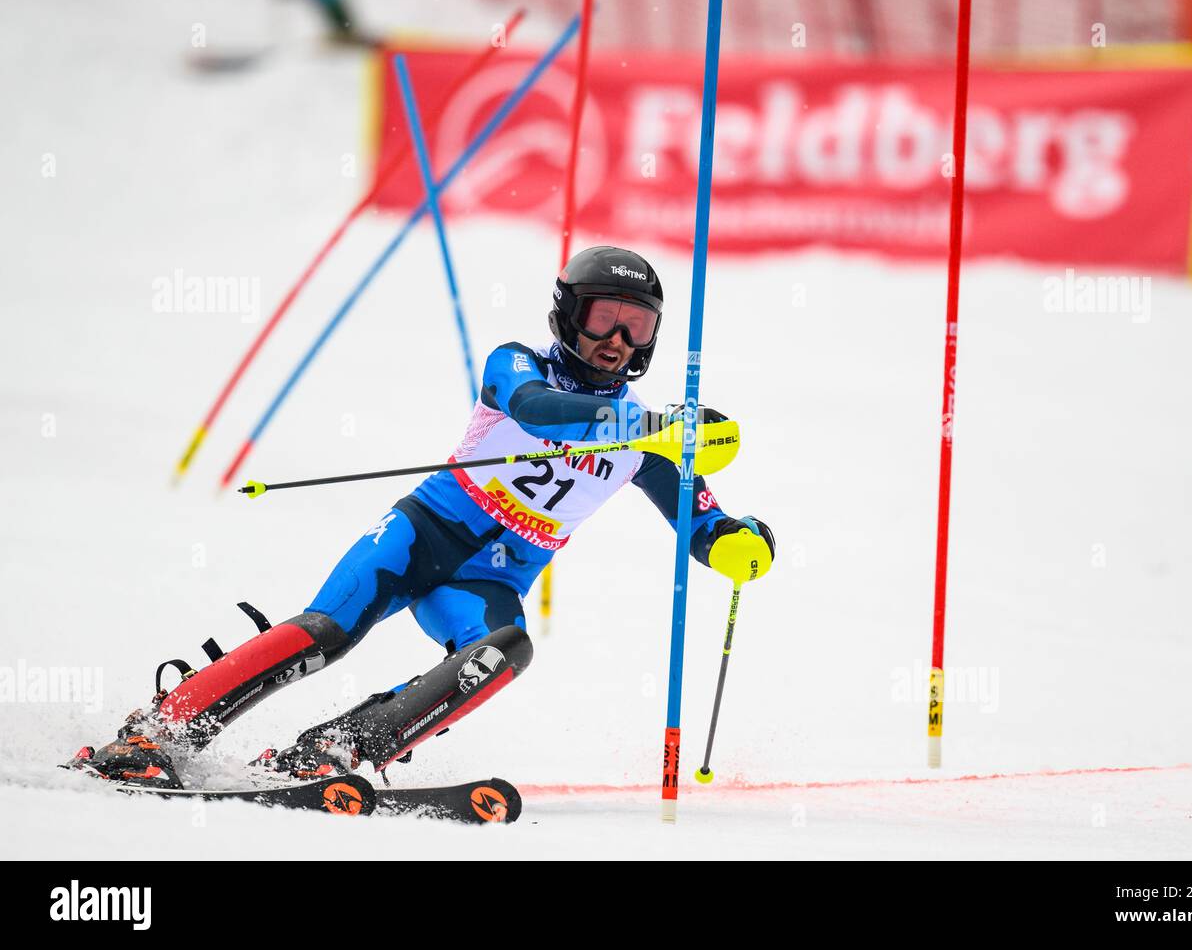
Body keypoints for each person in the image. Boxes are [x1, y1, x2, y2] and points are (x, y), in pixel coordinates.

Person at [75, 246, 775, 788]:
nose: (618, 338)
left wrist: (742, 547)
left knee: (505, 649)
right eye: (603, 316)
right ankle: (157, 731)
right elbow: (535, 408)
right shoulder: (517, 363)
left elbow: (704, 526)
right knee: (327, 631)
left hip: (485, 581)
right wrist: (649, 421)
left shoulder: (651, 444)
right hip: (418, 537)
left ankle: (335, 748)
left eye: (638, 323)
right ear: (569, 314)